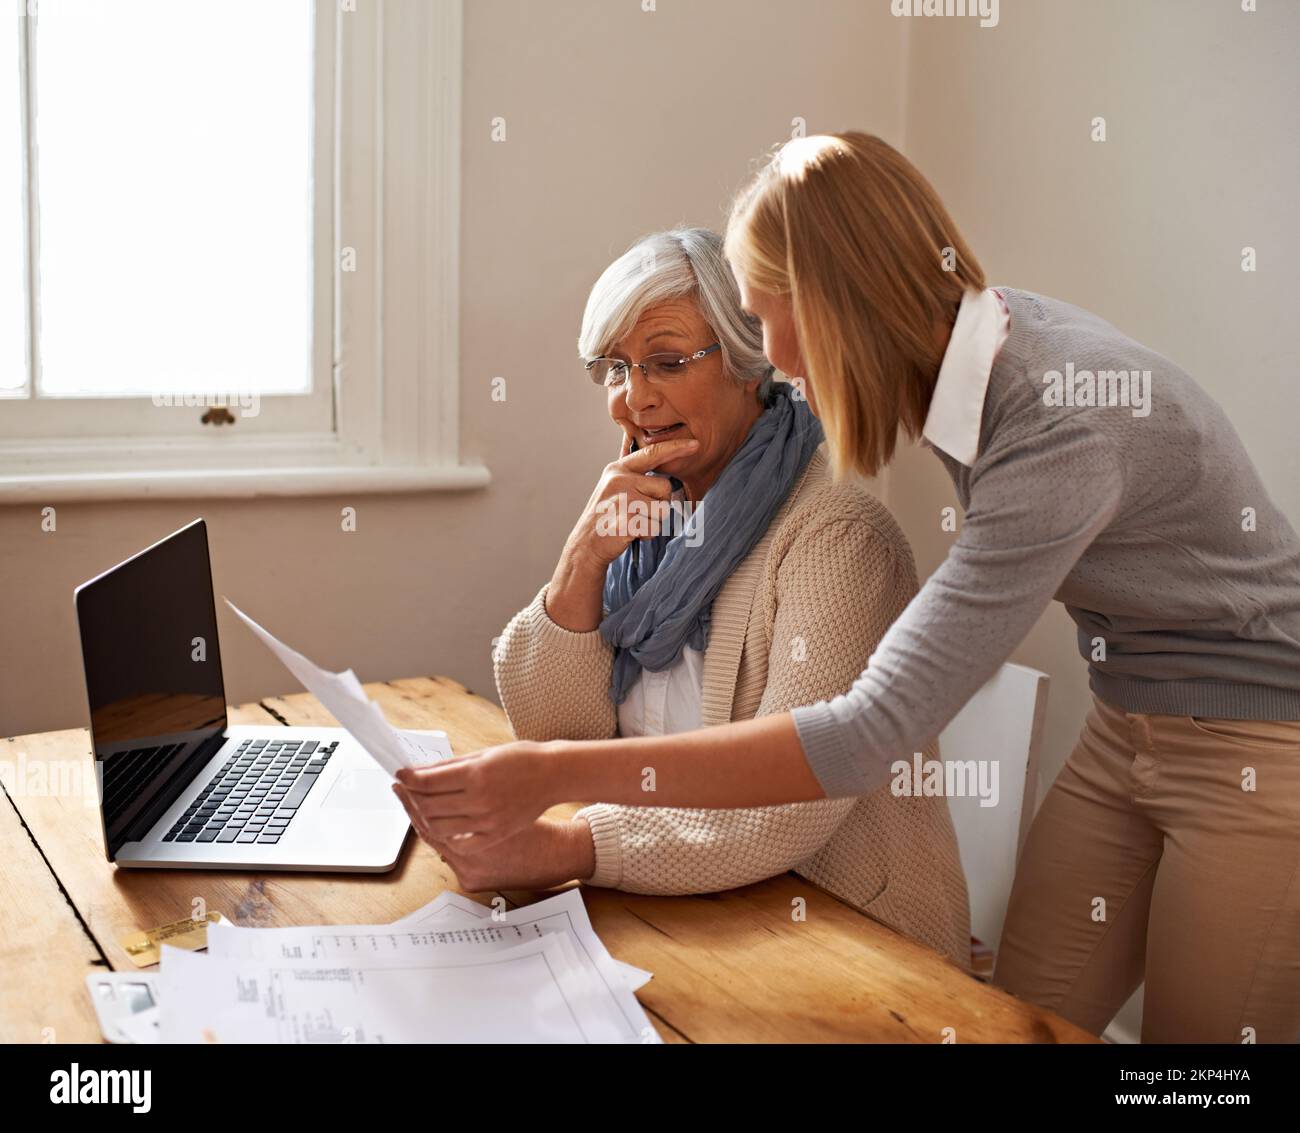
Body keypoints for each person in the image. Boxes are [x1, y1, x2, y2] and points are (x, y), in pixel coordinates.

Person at [396, 133, 1300, 1043]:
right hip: (1127, 716)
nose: (773, 360)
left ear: (830, 304)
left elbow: (865, 733)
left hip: (1261, 733)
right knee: (1017, 1022)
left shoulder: (1055, 424)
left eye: (763, 318)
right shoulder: (961, 367)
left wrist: (553, 779)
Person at [401, 228, 970, 968]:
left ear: (747, 364)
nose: (632, 398)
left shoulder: (837, 537)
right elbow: (554, 725)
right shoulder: (651, 508)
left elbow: (787, 802)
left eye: (666, 362)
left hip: (847, 946)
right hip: (684, 915)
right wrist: (581, 560)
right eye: (615, 368)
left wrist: (567, 845)